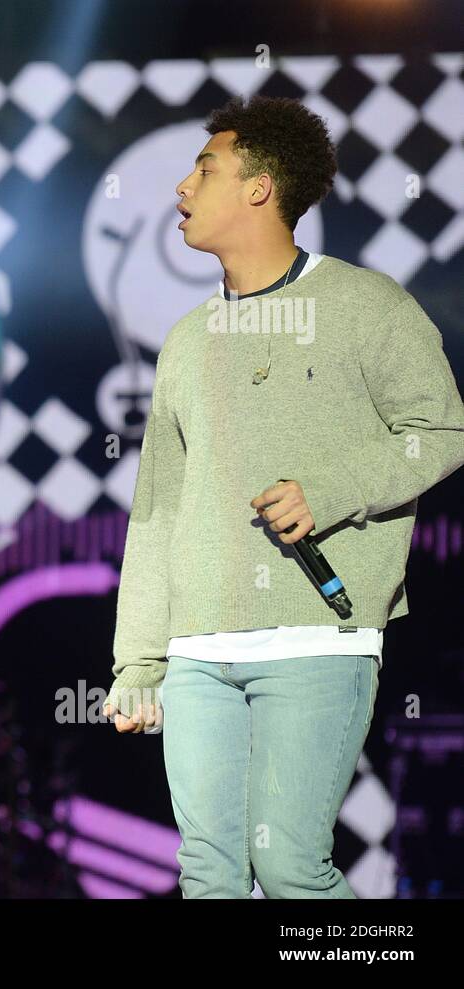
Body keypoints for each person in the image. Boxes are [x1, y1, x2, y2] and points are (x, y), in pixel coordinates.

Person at [106, 96, 464, 897]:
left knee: (290, 870)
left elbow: (443, 431)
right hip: (197, 652)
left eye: (204, 169)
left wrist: (331, 491)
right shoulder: (187, 339)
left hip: (317, 640)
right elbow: (157, 508)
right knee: (210, 873)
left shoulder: (369, 306)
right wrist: (139, 660)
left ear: (261, 188)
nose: (181, 189)